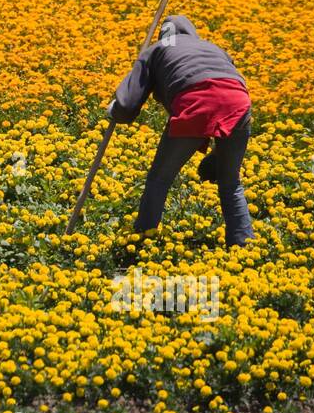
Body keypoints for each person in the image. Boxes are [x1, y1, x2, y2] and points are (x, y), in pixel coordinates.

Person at [107, 15, 255, 246]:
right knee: (230, 182)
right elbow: (225, 85)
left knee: (160, 178)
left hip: (195, 103)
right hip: (238, 102)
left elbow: (127, 105)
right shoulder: (211, 46)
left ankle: (141, 242)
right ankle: (244, 246)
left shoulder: (156, 50)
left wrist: (116, 110)